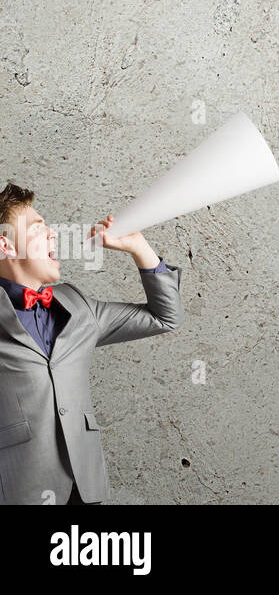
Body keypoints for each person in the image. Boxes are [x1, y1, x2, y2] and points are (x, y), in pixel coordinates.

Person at [0, 181, 182, 504]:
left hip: (85, 490)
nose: (53, 235)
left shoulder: (77, 304)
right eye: (39, 229)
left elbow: (164, 316)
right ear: (7, 246)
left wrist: (138, 248)